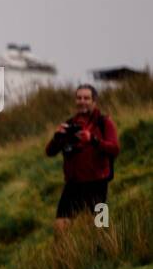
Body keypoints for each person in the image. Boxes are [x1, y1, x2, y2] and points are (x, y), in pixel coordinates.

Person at [47, 84, 120, 233]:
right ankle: (63, 256)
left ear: (94, 101)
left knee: (101, 227)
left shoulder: (104, 122)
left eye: (86, 98)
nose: (82, 101)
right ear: (75, 101)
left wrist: (92, 140)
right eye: (79, 98)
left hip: (98, 184)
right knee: (60, 226)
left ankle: (107, 252)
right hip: (73, 185)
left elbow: (115, 149)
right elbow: (49, 152)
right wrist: (57, 137)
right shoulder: (69, 124)